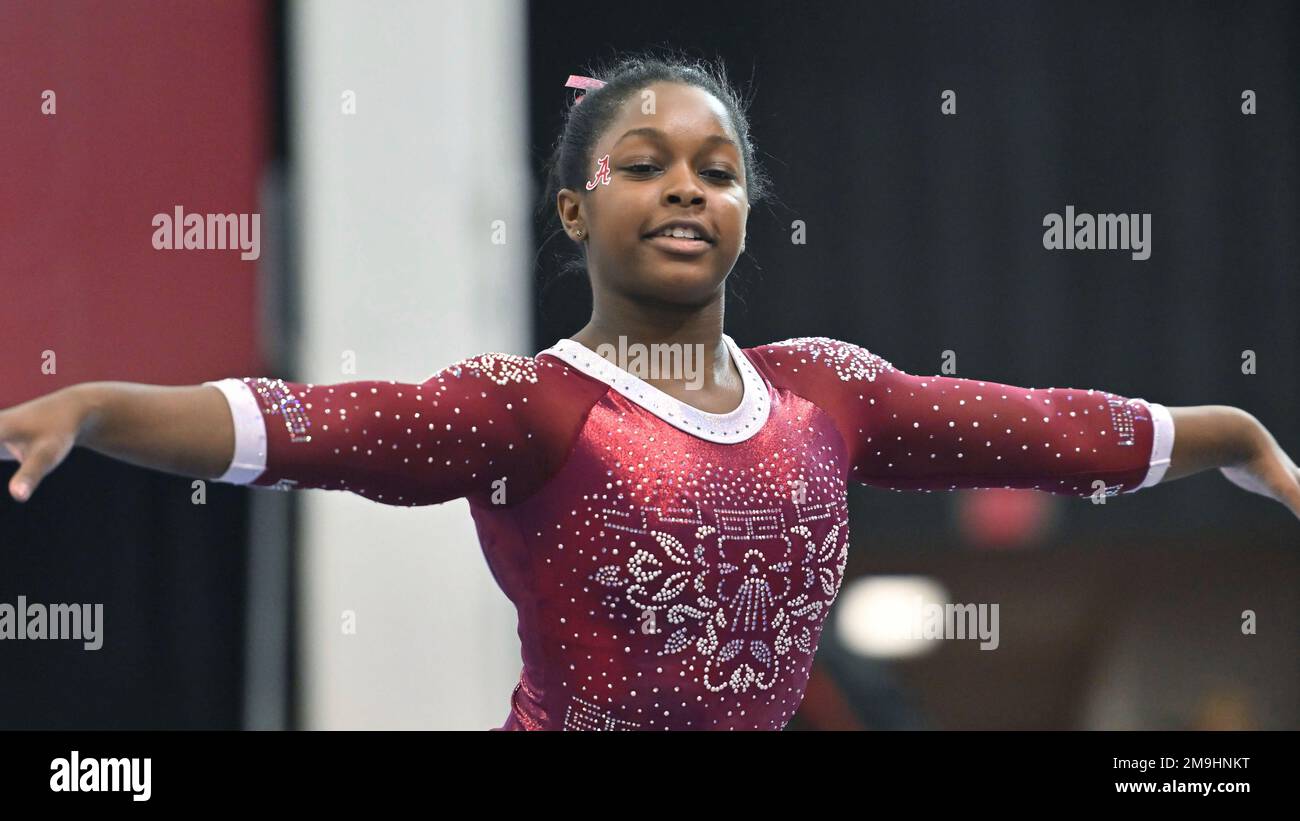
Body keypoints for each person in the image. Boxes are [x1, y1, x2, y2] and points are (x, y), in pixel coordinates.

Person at [3, 52, 1297, 730]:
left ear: (745, 211)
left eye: (717, 168)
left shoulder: (825, 395)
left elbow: (1053, 431)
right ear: (577, 205)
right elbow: (303, 428)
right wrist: (103, 406)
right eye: (646, 162)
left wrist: (1232, 430)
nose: (688, 185)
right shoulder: (531, 409)